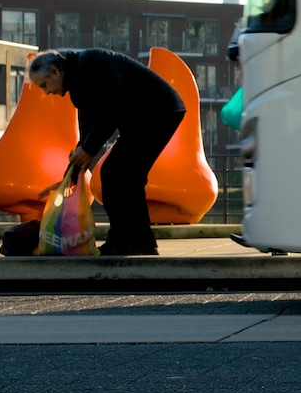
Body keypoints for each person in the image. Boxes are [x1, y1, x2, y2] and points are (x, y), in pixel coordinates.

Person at [24, 48, 185, 257]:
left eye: (44, 85)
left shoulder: (91, 63)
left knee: (122, 173)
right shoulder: (79, 87)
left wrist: (89, 149)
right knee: (118, 173)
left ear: (55, 71)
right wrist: (71, 175)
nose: (47, 92)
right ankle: (129, 240)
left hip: (158, 110)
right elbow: (87, 132)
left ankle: (134, 240)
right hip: (145, 115)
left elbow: (113, 107)